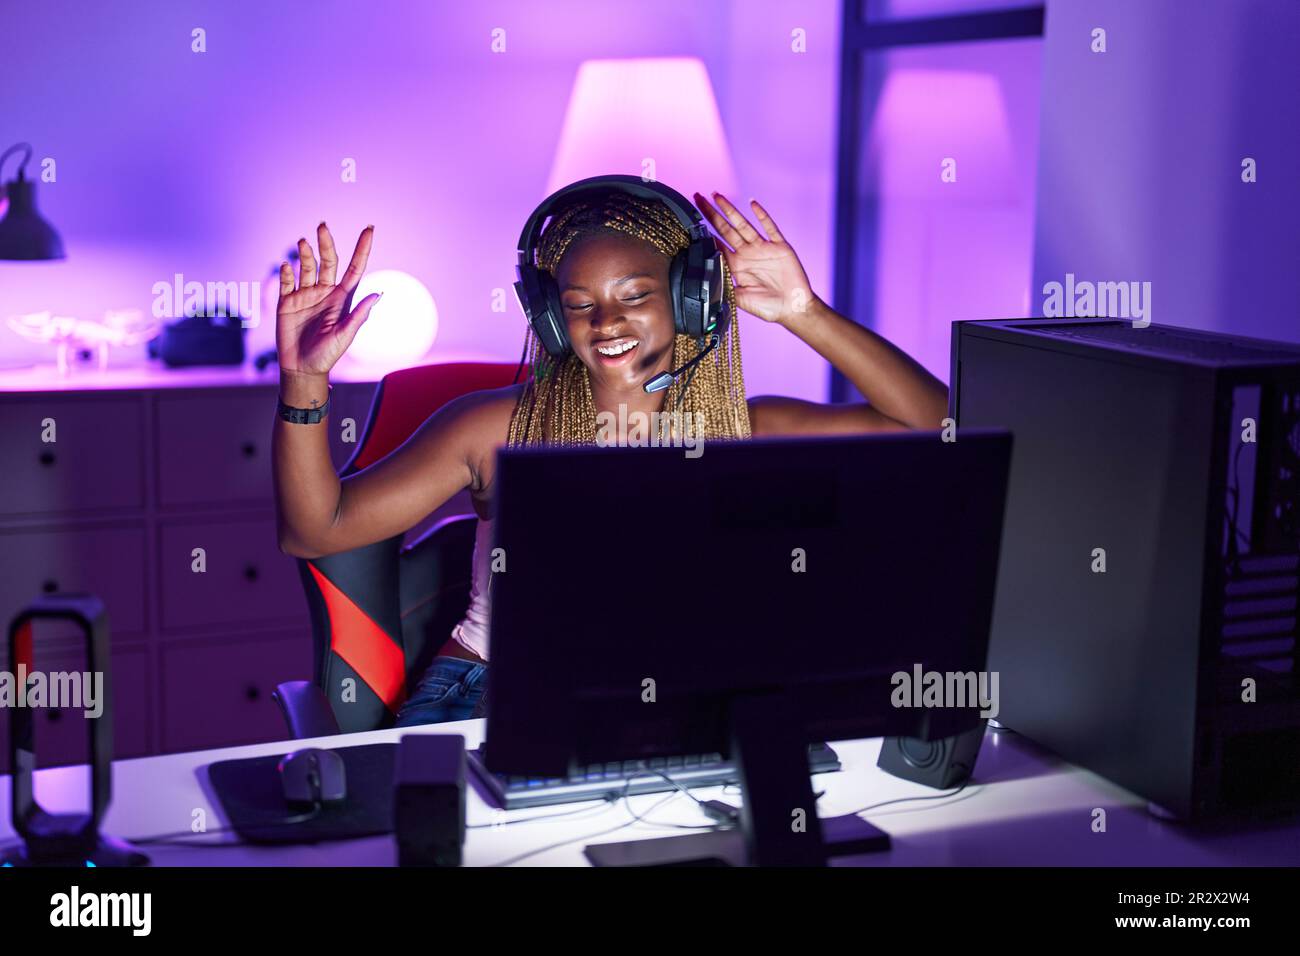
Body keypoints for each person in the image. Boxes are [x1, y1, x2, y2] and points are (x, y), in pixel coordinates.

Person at [272, 182, 947, 726]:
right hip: (493, 693)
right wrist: (305, 381)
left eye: (635, 295)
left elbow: (938, 430)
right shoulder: (498, 427)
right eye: (579, 304)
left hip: (689, 699)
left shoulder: (749, 428)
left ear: (691, 301)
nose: (606, 323)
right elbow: (316, 529)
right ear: (550, 319)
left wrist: (807, 312)